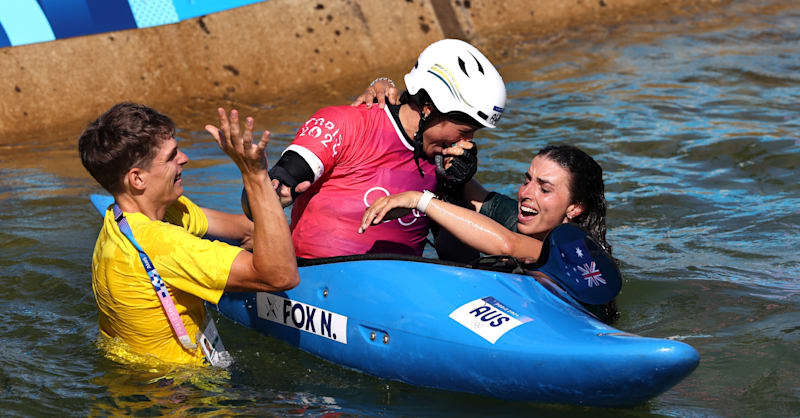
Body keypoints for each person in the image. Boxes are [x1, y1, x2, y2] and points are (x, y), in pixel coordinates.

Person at [79, 102, 299, 366]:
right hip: (177, 394)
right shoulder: (160, 245)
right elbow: (280, 276)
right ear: (137, 179)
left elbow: (245, 230)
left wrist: (281, 198)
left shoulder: (131, 216)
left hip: (136, 374)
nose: (184, 158)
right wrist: (254, 176)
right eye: (172, 156)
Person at [256, 39, 507, 258]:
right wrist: (263, 185)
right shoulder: (345, 124)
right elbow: (259, 201)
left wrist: (453, 189)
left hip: (398, 292)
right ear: (429, 107)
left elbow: (460, 262)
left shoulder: (443, 164)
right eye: (464, 132)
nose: (467, 143)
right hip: (316, 285)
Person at [360, 145, 618, 322]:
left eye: (545, 189)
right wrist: (455, 168)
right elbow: (474, 197)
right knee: (452, 204)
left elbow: (508, 245)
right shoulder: (523, 219)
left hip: (571, 328)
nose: (526, 194)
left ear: (574, 208)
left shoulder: (578, 250)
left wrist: (420, 200)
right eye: (526, 180)